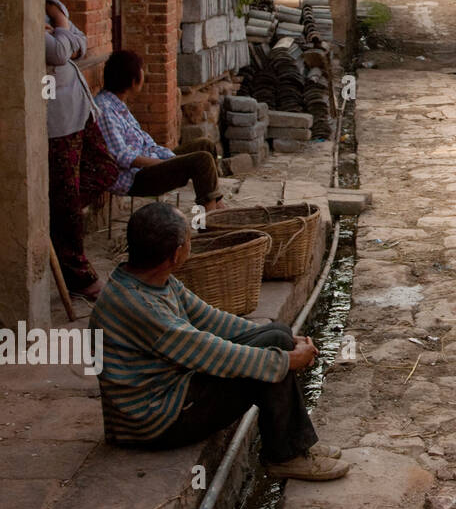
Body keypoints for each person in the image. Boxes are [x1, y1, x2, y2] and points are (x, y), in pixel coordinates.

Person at [90, 202, 350, 481]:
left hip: (174, 390)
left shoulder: (154, 279)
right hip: (155, 422)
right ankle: (286, 456)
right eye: (189, 240)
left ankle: (294, 440)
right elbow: (209, 351)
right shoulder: (141, 307)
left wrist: (287, 339)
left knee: (278, 335)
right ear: (177, 254)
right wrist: (287, 359)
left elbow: (211, 320)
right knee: (270, 362)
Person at [44, 0, 120, 299]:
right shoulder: (23, 5)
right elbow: (60, 51)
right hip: (55, 121)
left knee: (103, 169)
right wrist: (64, 36)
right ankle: (79, 275)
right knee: (64, 200)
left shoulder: (50, 4)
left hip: (78, 113)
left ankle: (54, 221)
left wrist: (60, 24)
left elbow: (79, 41)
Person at [94, 50, 225, 210]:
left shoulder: (118, 104)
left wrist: (169, 159)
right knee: (202, 160)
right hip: (137, 178)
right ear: (132, 80)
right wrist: (162, 163)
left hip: (152, 162)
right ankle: (209, 223)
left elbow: (147, 145)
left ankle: (218, 206)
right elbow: (123, 157)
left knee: (206, 145)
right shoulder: (104, 109)